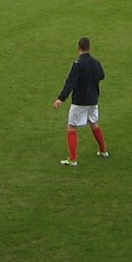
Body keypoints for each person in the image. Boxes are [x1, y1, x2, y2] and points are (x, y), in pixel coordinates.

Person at [53, 37, 106, 166]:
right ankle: (103, 151)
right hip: (93, 100)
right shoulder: (96, 63)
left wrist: (61, 98)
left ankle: (72, 159)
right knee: (94, 123)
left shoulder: (78, 64)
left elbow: (70, 82)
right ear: (89, 48)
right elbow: (102, 76)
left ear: (79, 48)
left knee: (71, 126)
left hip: (80, 101)